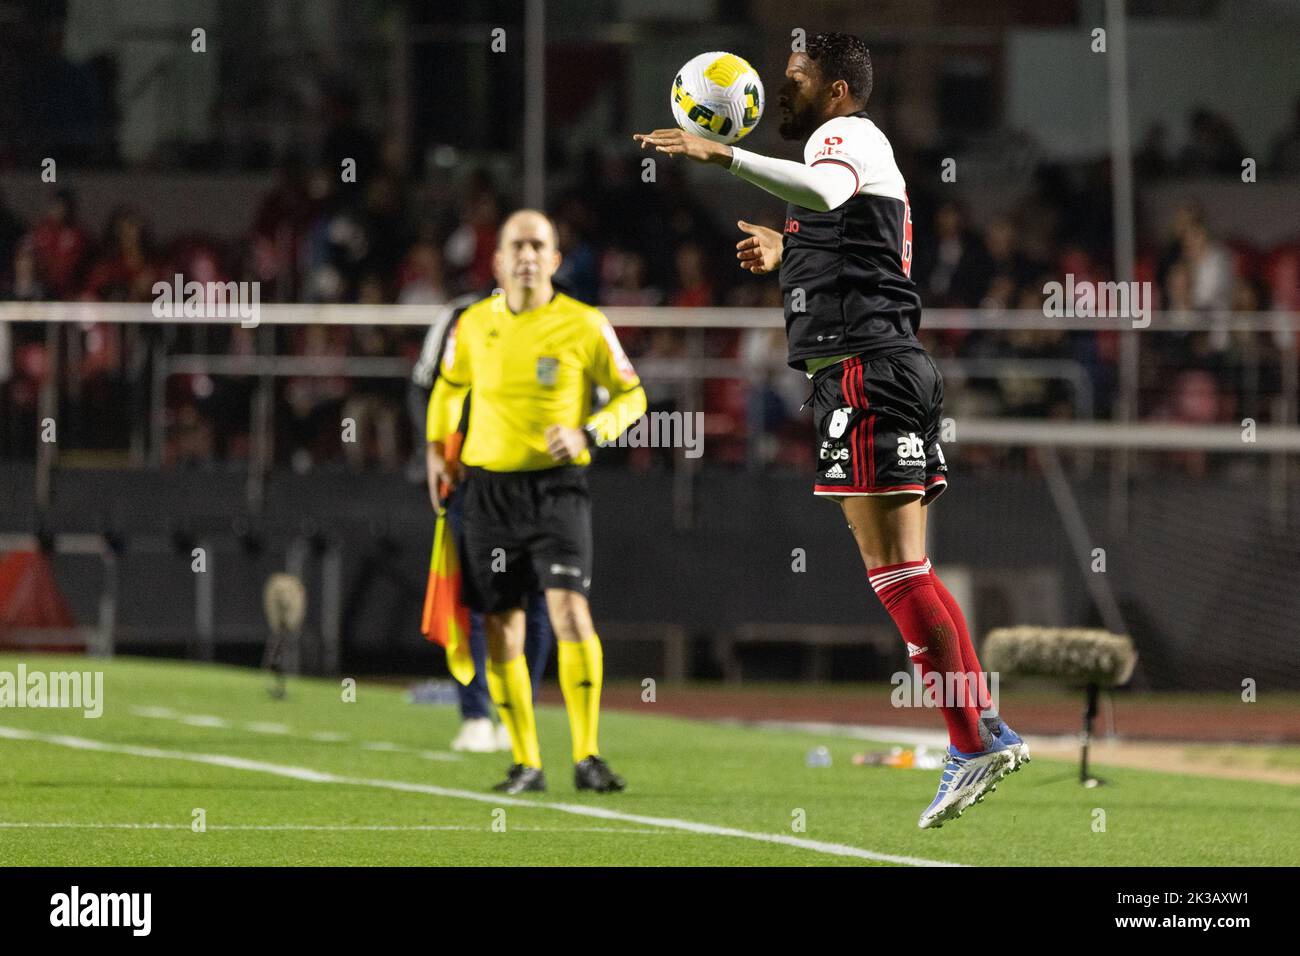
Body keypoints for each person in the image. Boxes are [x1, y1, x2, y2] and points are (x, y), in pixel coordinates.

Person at [634, 33, 1028, 829]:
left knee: (896, 575)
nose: (781, 89)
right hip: (888, 367)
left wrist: (723, 156)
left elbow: (824, 189)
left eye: (796, 77)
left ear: (838, 92)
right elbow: (857, 246)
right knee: (910, 569)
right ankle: (983, 726)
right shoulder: (851, 152)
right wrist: (790, 250)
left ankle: (969, 740)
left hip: (863, 375)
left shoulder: (841, 138)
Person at [426, 209, 646, 794]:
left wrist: (589, 432)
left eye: (537, 246)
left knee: (570, 611)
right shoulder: (472, 324)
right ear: (497, 260)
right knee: (502, 627)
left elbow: (632, 396)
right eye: (516, 246)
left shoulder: (585, 323)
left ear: (554, 259)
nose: (527, 255)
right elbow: (448, 389)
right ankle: (526, 761)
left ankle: (587, 755)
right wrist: (436, 451)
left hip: (556, 491)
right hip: (488, 492)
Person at [412, 293, 554, 753]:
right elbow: (425, 386)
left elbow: (582, 394)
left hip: (535, 478)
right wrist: (436, 453)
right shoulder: (461, 317)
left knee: (535, 599)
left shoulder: (561, 318)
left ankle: (519, 713)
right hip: (471, 477)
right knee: (474, 598)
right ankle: (475, 713)